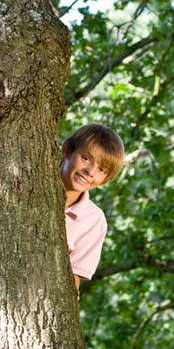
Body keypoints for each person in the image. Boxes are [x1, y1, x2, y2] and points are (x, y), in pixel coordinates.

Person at [61, 123, 125, 291]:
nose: (90, 171)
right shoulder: (29, 183)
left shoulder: (94, 221)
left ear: (105, 179)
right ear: (66, 150)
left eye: (102, 169)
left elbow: (72, 278)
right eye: (86, 158)